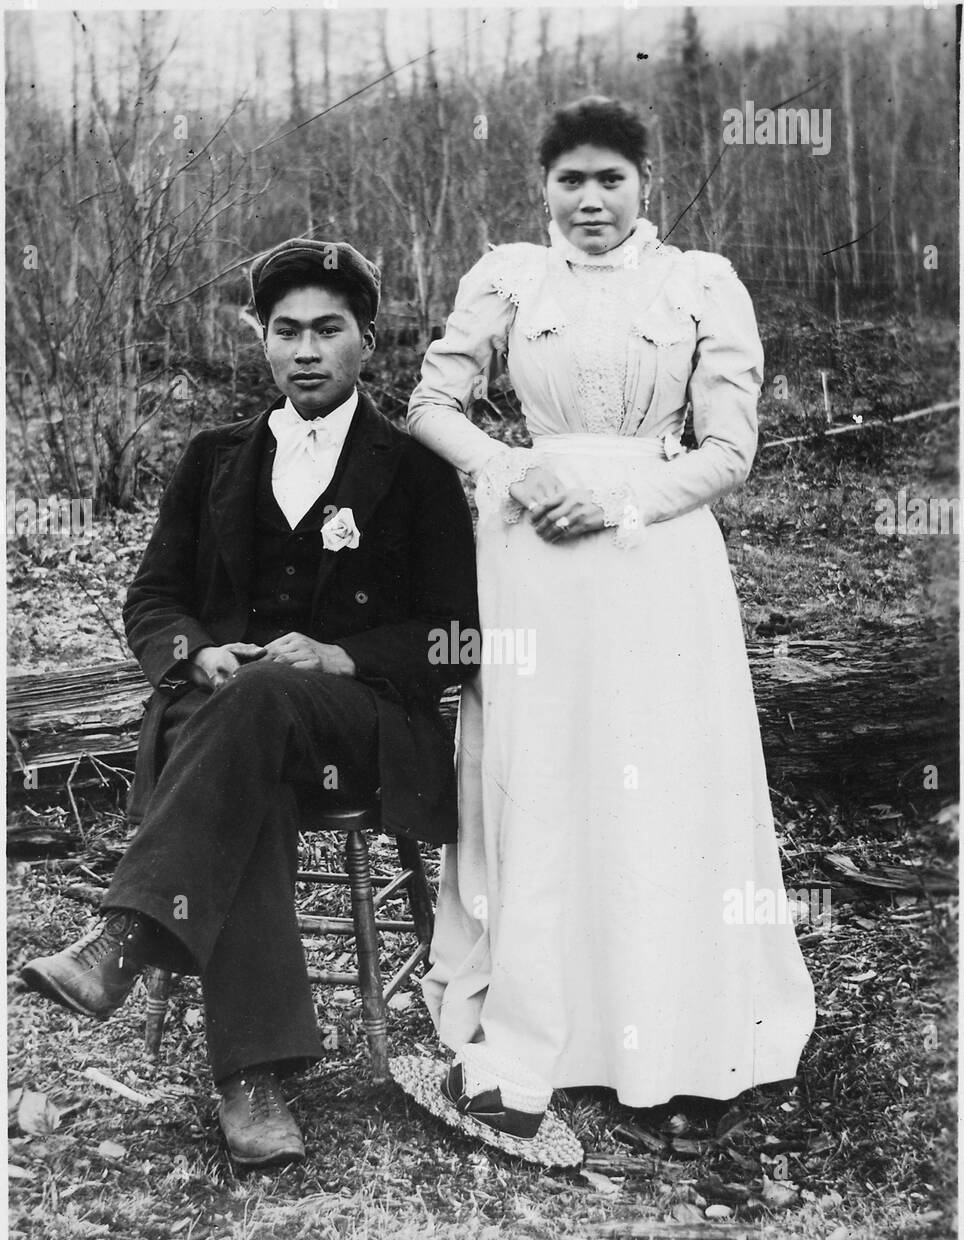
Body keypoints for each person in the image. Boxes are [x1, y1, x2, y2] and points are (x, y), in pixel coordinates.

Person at [406, 96, 816, 1140]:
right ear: (542, 188)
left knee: (662, 775)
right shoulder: (506, 276)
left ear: (644, 185)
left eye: (610, 179)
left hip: (654, 561)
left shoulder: (698, 283)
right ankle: (548, 1025)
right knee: (546, 770)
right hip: (531, 558)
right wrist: (510, 466)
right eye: (569, 180)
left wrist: (627, 498)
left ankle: (681, 1031)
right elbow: (431, 404)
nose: (589, 199)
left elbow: (728, 449)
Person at [21, 238, 478, 1167]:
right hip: (229, 728)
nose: (305, 350)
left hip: (364, 730)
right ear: (261, 343)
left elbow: (458, 639)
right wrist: (195, 652)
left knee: (268, 704)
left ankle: (126, 933)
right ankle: (250, 1082)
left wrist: (344, 655)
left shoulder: (417, 470)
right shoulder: (215, 458)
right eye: (284, 332)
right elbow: (152, 599)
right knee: (250, 762)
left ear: (367, 343)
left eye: (327, 330)